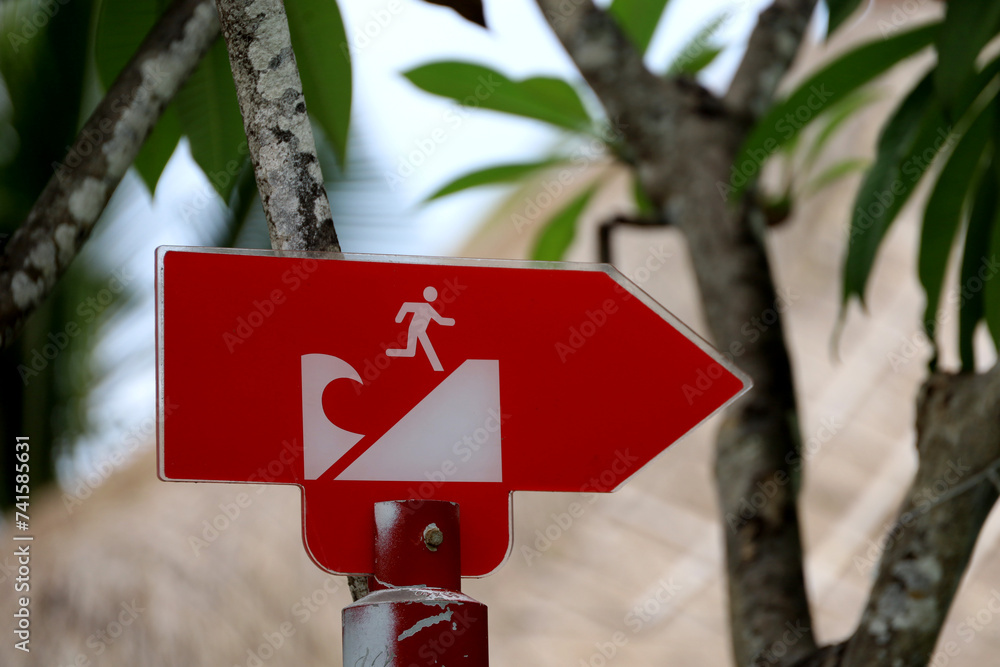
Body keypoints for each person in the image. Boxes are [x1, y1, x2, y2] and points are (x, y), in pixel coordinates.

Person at [385, 286, 455, 371]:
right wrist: (398, 319)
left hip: (420, 330)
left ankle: (391, 352)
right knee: (416, 350)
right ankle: (437, 367)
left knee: (411, 351)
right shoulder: (424, 307)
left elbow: (440, 320)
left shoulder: (429, 308)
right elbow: (406, 306)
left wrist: (451, 321)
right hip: (415, 329)